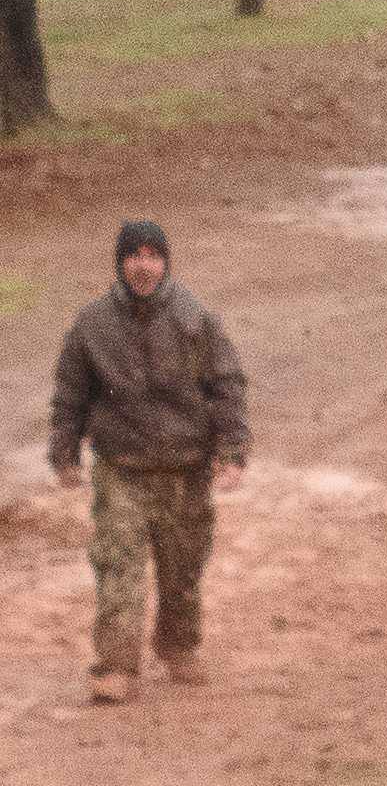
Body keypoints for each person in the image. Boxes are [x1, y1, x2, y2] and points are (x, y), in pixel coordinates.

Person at [46, 218, 250, 708]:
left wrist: (233, 451)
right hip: (121, 467)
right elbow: (70, 394)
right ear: (120, 263)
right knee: (118, 564)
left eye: (153, 255)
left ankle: (177, 645)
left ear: (165, 261)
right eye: (134, 255)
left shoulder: (194, 317)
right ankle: (116, 665)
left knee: (183, 567)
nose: (145, 266)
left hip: (186, 466)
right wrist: (65, 453)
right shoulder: (92, 324)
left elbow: (227, 384)